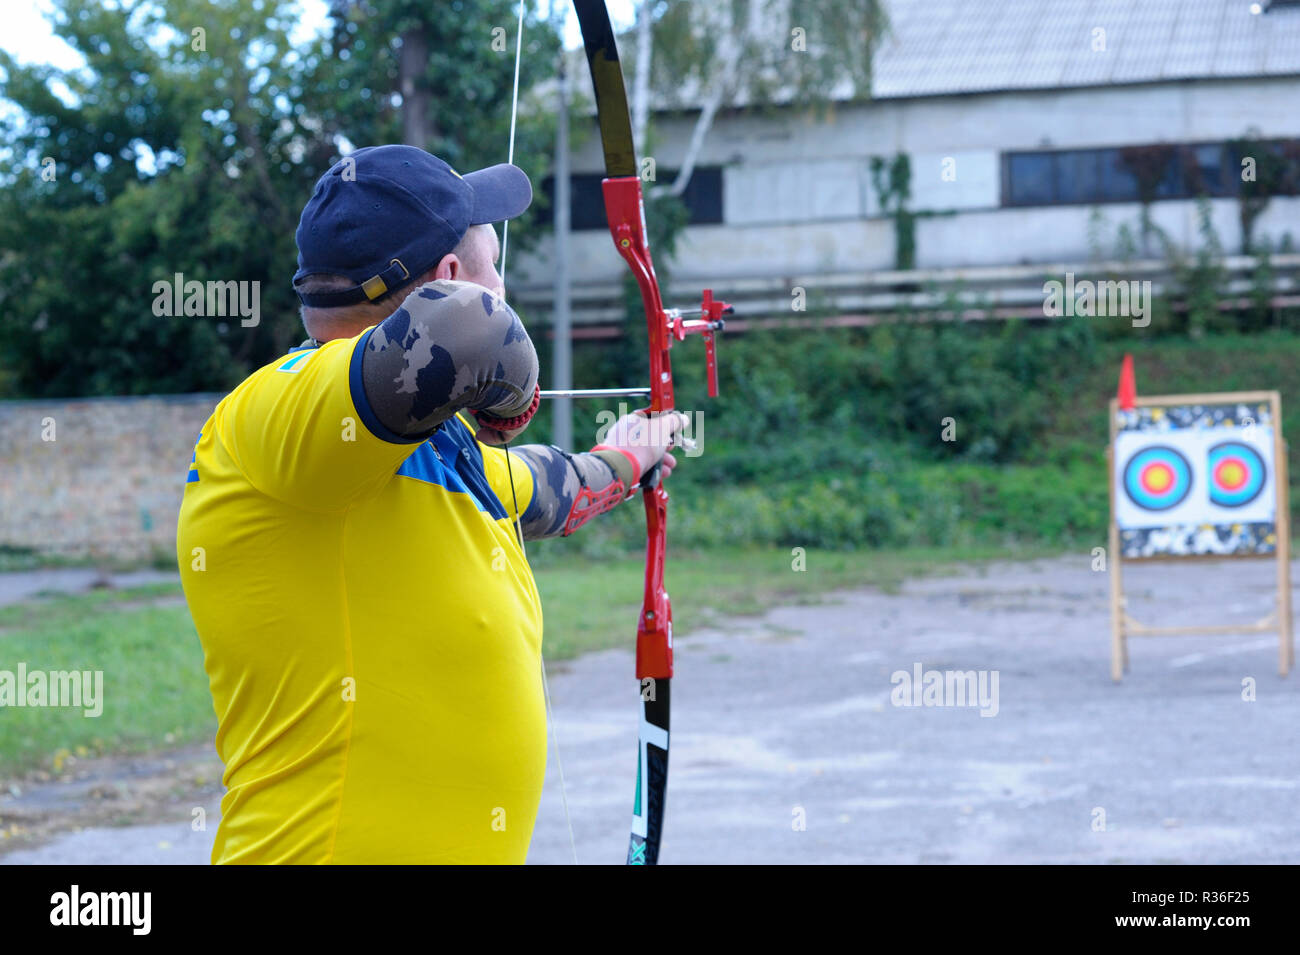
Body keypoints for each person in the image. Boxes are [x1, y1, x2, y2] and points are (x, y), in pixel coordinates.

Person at [177, 144, 688, 863]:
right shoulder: (269, 415)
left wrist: (630, 456)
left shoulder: (437, 450)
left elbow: (544, 487)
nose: (501, 284)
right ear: (451, 276)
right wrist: (511, 397)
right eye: (493, 263)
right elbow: (466, 330)